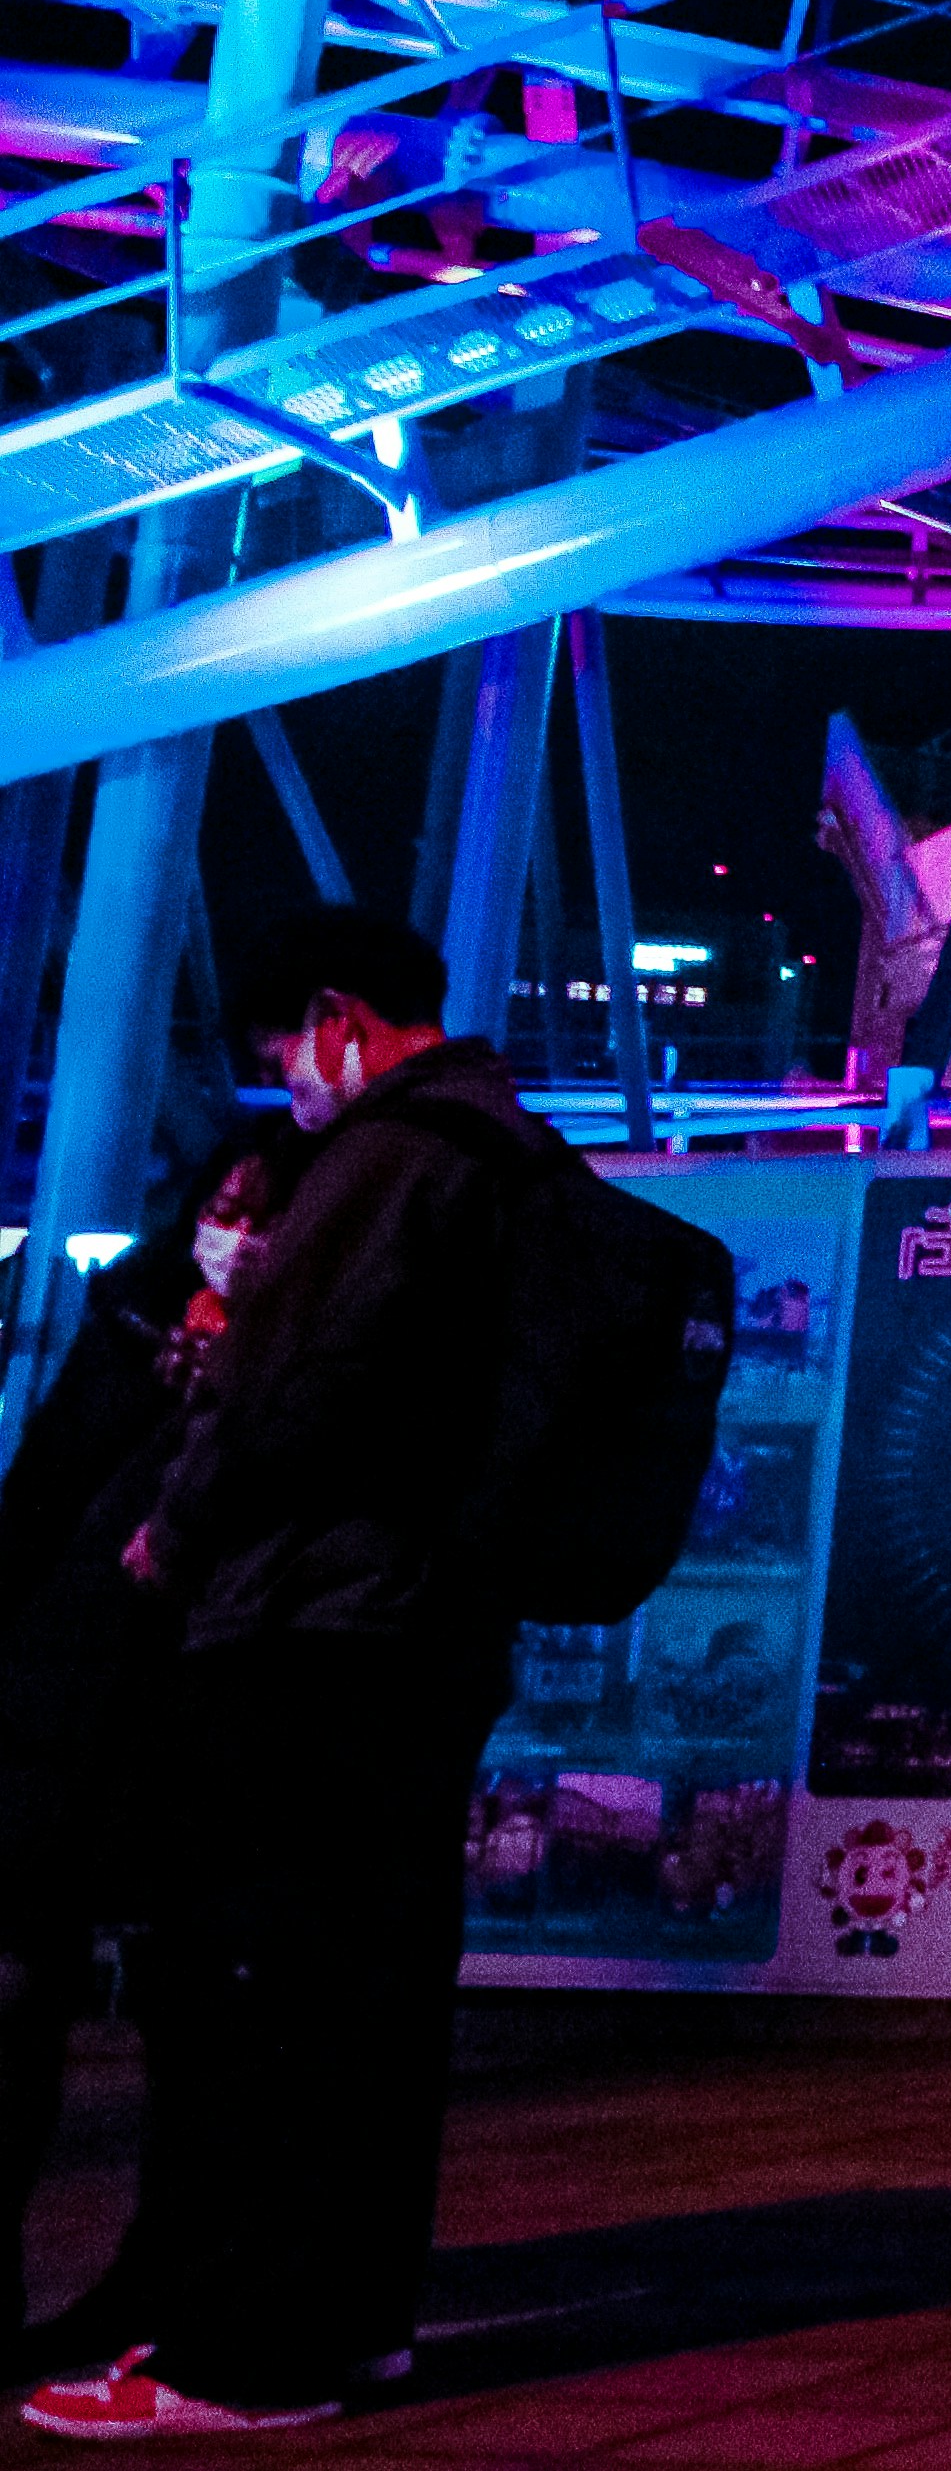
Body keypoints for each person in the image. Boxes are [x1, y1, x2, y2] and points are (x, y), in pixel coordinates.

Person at [27, 914, 549, 2440]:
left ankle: (244, 2352)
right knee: (378, 2001)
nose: (287, 1087)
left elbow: (288, 1387)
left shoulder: (391, 1164)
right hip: (433, 1629)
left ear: (335, 1015)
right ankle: (355, 2319)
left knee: (269, 1997)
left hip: (313, 1625)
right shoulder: (517, 1159)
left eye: (283, 1056)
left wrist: (170, 1534)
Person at [0, 1123, 294, 2379]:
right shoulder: (132, 1316)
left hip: (189, 1705)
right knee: (19, 1990)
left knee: (186, 1998)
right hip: (59, 1699)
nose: (233, 1224)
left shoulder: (293, 1351)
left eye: (258, 1209)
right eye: (221, 1201)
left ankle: (167, 2274)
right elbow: (45, 1491)